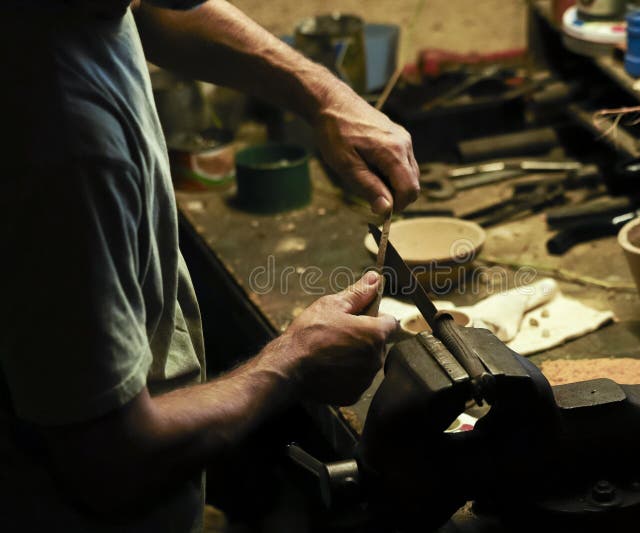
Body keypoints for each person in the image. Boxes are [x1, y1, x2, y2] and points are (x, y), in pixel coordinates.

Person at [0, 0, 420, 530]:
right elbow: (106, 461)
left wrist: (325, 97)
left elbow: (158, 9)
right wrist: (294, 361)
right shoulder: (62, 142)